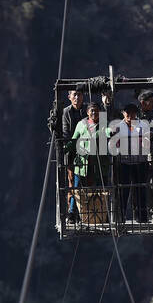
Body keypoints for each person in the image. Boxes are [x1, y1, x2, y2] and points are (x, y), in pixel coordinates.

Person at [70, 102, 110, 223]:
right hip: (83, 162)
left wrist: (110, 132)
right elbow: (74, 139)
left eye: (96, 110)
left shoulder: (103, 124)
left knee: (100, 188)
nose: (94, 113)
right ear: (87, 112)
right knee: (77, 188)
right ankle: (73, 212)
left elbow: (107, 131)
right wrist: (65, 148)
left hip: (99, 162)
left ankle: (102, 214)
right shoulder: (81, 124)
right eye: (92, 110)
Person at [111, 103, 149, 223]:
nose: (130, 115)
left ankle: (141, 216)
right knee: (123, 190)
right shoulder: (118, 126)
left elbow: (147, 142)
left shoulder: (143, 125)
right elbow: (112, 145)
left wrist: (146, 140)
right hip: (124, 162)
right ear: (123, 113)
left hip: (140, 161)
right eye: (128, 112)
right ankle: (120, 217)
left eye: (133, 112)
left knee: (140, 190)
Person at [61, 89, 85, 221]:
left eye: (79, 94)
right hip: (72, 152)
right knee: (72, 182)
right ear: (69, 96)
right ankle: (72, 212)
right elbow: (66, 132)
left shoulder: (88, 109)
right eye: (74, 94)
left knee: (85, 181)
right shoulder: (66, 112)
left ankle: (82, 212)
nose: (77, 97)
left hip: (86, 152)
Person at [138, 90, 153, 219]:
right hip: (138, 154)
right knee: (139, 183)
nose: (152, 104)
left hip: (152, 153)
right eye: (150, 102)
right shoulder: (137, 115)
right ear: (143, 103)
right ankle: (141, 212)